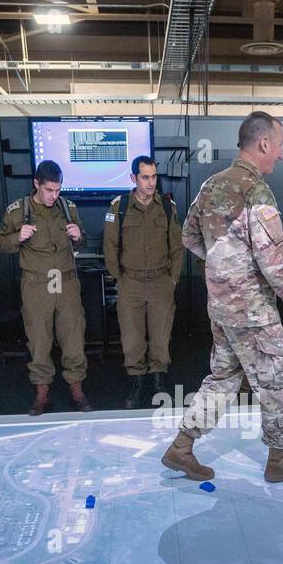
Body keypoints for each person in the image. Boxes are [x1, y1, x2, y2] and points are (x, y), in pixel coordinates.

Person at [160, 111, 283, 483]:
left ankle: (181, 448)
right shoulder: (255, 192)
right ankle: (279, 460)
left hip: (220, 308)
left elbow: (188, 237)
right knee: (279, 382)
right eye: (279, 145)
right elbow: (274, 261)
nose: (281, 154)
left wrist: (223, 266)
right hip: (252, 312)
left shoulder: (210, 186)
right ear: (263, 143)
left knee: (223, 379)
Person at [0, 160, 90, 415]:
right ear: (36, 184)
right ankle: (42, 393)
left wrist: (79, 236)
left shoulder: (68, 208)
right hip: (37, 284)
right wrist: (17, 237)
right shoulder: (18, 211)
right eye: (49, 190)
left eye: (58, 190)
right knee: (39, 340)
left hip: (67, 283)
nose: (54, 196)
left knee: (73, 339)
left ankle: (77, 390)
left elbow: (83, 242)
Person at [103, 155, 183, 409]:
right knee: (132, 338)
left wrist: (172, 280)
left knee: (160, 337)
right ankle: (137, 383)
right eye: (145, 177)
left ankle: (158, 382)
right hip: (131, 283)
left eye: (153, 177)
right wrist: (119, 278)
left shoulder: (167, 207)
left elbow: (177, 247)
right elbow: (110, 245)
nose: (151, 183)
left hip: (161, 282)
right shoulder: (119, 207)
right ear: (133, 178)